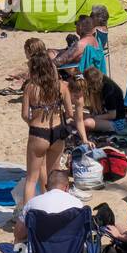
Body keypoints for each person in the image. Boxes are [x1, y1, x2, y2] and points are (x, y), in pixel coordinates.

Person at [20, 53, 81, 207]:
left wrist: (32, 122)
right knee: (53, 176)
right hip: (57, 132)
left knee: (31, 179)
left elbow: (25, 114)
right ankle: (52, 209)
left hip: (38, 133)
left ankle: (28, 217)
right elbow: (69, 113)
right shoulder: (62, 86)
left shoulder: (30, 88)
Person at [12, 170, 83, 244]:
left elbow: (18, 234)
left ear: (46, 187)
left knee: (18, 241)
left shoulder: (33, 203)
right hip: (71, 250)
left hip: (41, 251)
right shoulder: (77, 204)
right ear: (67, 187)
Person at [81, 66, 127, 134]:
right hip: (104, 116)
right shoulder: (100, 85)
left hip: (117, 122)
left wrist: (94, 117)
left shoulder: (109, 90)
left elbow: (112, 115)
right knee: (80, 117)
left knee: (86, 123)